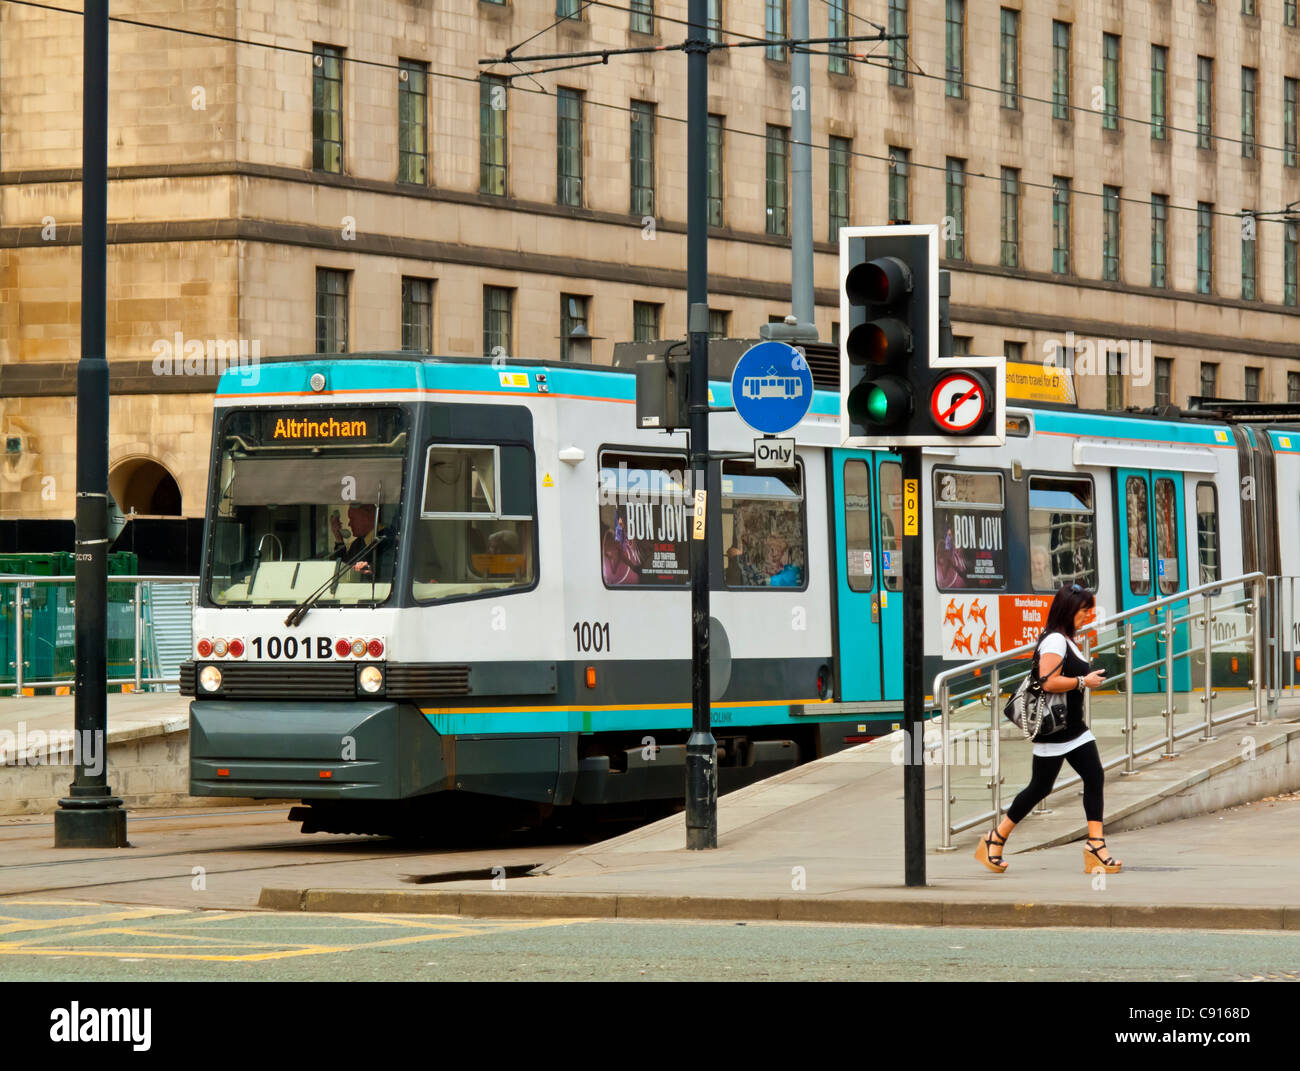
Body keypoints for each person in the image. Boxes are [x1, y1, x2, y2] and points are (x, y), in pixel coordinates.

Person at [975, 583, 1121, 875]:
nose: (1088, 615)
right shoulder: (1055, 641)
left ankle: (1095, 844)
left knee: (1090, 777)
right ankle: (996, 837)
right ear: (1068, 611)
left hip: (1071, 728)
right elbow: (1046, 681)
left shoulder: (1066, 638)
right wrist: (1083, 681)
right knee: (1041, 787)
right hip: (1057, 729)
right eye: (1083, 610)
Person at [329, 502, 391, 579]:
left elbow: (386, 570)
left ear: (367, 516)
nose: (349, 524)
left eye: (352, 518)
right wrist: (339, 539)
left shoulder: (389, 540)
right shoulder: (356, 544)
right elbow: (343, 568)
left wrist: (369, 568)